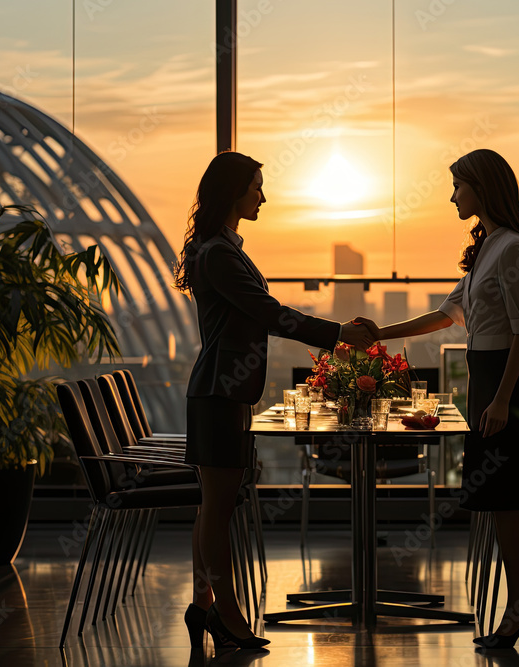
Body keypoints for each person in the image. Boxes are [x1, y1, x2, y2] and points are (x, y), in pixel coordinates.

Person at [173, 150, 377, 649]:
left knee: (212, 507)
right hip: (220, 392)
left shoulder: (219, 246)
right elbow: (268, 312)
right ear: (234, 190)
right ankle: (227, 614)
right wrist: (341, 335)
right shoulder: (219, 253)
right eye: (256, 187)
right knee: (217, 509)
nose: (264, 196)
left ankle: (204, 608)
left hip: (222, 391)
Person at [361, 149, 519, 652]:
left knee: (508, 500)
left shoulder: (511, 248)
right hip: (487, 381)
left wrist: (502, 400)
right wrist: (378, 333)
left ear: (481, 187)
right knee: (499, 501)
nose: (451, 196)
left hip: (505, 384)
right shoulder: (489, 245)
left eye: (457, 187)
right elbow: (444, 316)